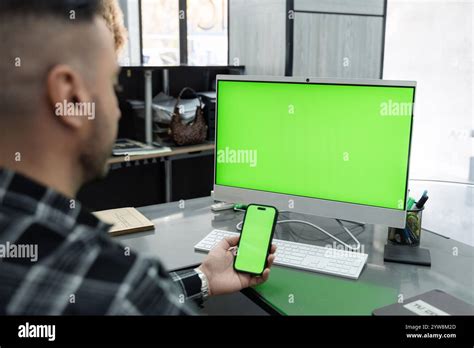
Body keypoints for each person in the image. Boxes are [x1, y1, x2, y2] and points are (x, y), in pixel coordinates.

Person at [0, 0, 276, 315]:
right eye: (112, 84)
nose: (117, 109)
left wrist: (204, 277)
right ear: (71, 99)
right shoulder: (118, 289)